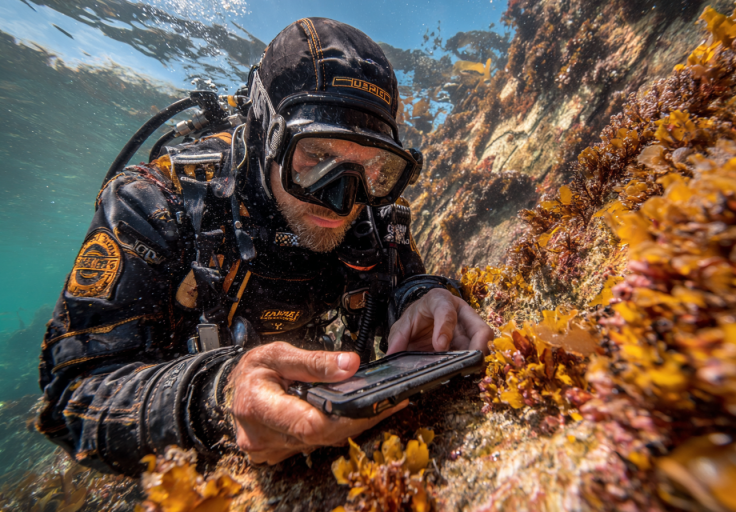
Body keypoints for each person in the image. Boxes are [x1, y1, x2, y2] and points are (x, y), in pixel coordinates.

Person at [37, 17, 493, 476]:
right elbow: (71, 392)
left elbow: (403, 281)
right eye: (317, 157)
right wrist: (218, 397)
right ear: (266, 131)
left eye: (375, 166)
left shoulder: (371, 208)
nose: (343, 201)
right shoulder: (156, 204)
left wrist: (422, 298)